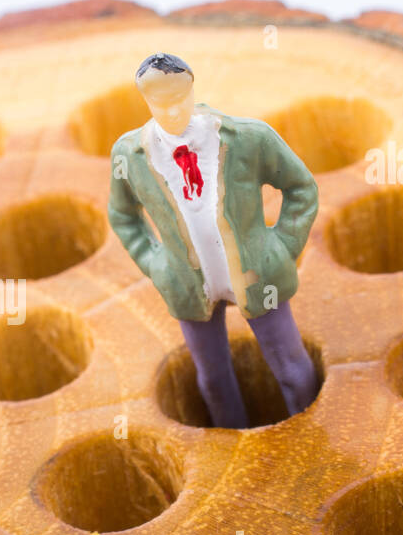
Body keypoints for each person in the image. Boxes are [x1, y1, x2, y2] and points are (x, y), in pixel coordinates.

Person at [108, 52, 320, 428]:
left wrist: (283, 247)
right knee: (213, 380)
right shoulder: (130, 155)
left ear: (192, 89)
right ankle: (233, 445)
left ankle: (309, 435)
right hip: (189, 286)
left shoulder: (249, 137)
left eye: (180, 99)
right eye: (161, 103)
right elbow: (123, 216)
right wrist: (156, 264)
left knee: (291, 368)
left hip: (259, 276)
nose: (174, 111)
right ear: (146, 101)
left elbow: (301, 188)